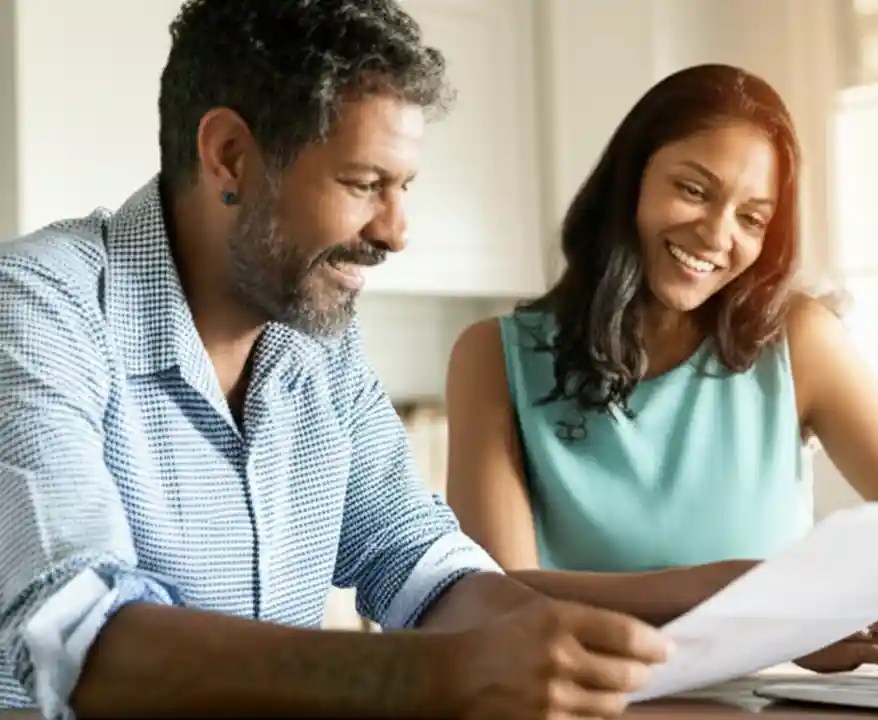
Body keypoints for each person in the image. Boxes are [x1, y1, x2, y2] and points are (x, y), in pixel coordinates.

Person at [0, 1, 670, 717]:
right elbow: (78, 641)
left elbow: (417, 558)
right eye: (363, 184)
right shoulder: (35, 308)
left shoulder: (317, 335)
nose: (395, 231)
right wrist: (438, 675)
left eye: (403, 186)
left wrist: (549, 641)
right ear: (229, 154)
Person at [447, 63, 878, 673]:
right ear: (630, 179)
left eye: (752, 217)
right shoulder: (492, 356)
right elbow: (495, 597)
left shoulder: (798, 341)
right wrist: (743, 595)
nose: (718, 235)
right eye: (693, 189)